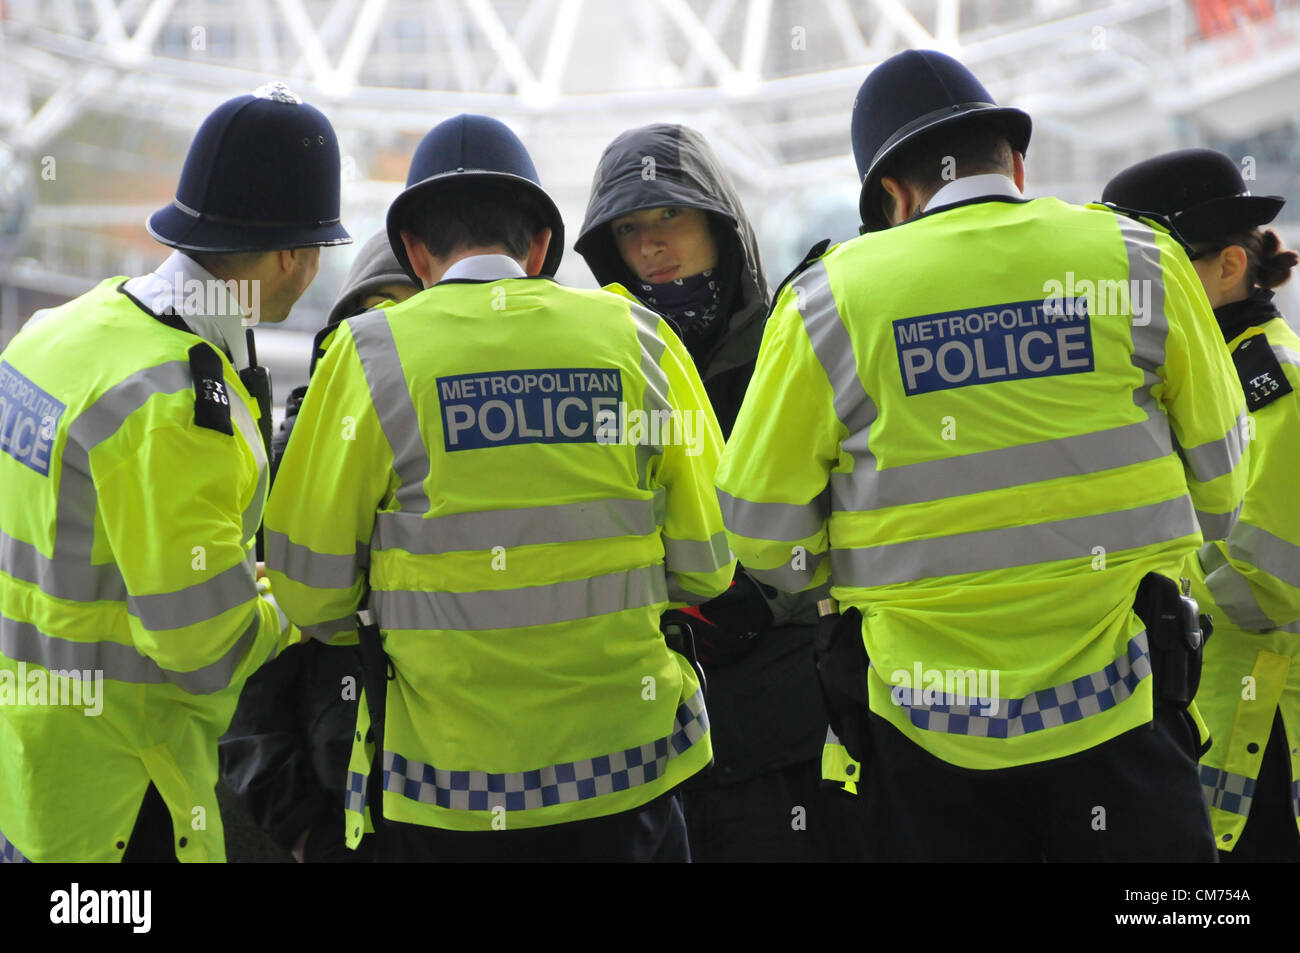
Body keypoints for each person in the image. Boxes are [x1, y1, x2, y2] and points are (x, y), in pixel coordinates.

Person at [714, 49, 1250, 862]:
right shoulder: (1137, 259)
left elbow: (760, 535)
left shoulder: (830, 301)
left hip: (925, 739)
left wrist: (863, 577)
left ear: (891, 195)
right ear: (1018, 164)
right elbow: (1225, 486)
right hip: (1127, 719)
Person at [263, 114, 732, 862]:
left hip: (448, 793)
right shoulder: (638, 337)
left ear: (415, 252)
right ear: (541, 246)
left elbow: (309, 593)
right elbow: (710, 561)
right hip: (631, 775)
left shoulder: (368, 356)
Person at [0, 82, 347, 863]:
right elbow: (207, 650)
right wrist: (293, 602)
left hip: (28, 772)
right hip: (123, 800)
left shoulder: (60, 331)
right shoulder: (180, 412)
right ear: (292, 255)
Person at [575, 123, 863, 861]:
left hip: (788, 742)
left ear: (720, 222)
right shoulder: (597, 380)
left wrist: (764, 597)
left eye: (669, 215)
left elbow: (850, 521)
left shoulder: (788, 348)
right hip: (644, 753)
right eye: (629, 229)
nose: (651, 246)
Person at [1104, 149, 1300, 862]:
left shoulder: (1272, 386)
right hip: (1191, 728)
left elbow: (1267, 588)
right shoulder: (1183, 378)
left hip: (1255, 747)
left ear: (1227, 267)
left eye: (1156, 273)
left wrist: (1126, 575)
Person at [219, 232, 419, 862]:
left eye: (411, 309)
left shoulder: (477, 475)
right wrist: (302, 825)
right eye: (370, 310)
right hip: (331, 815)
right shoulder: (284, 466)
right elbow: (246, 676)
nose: (385, 332)